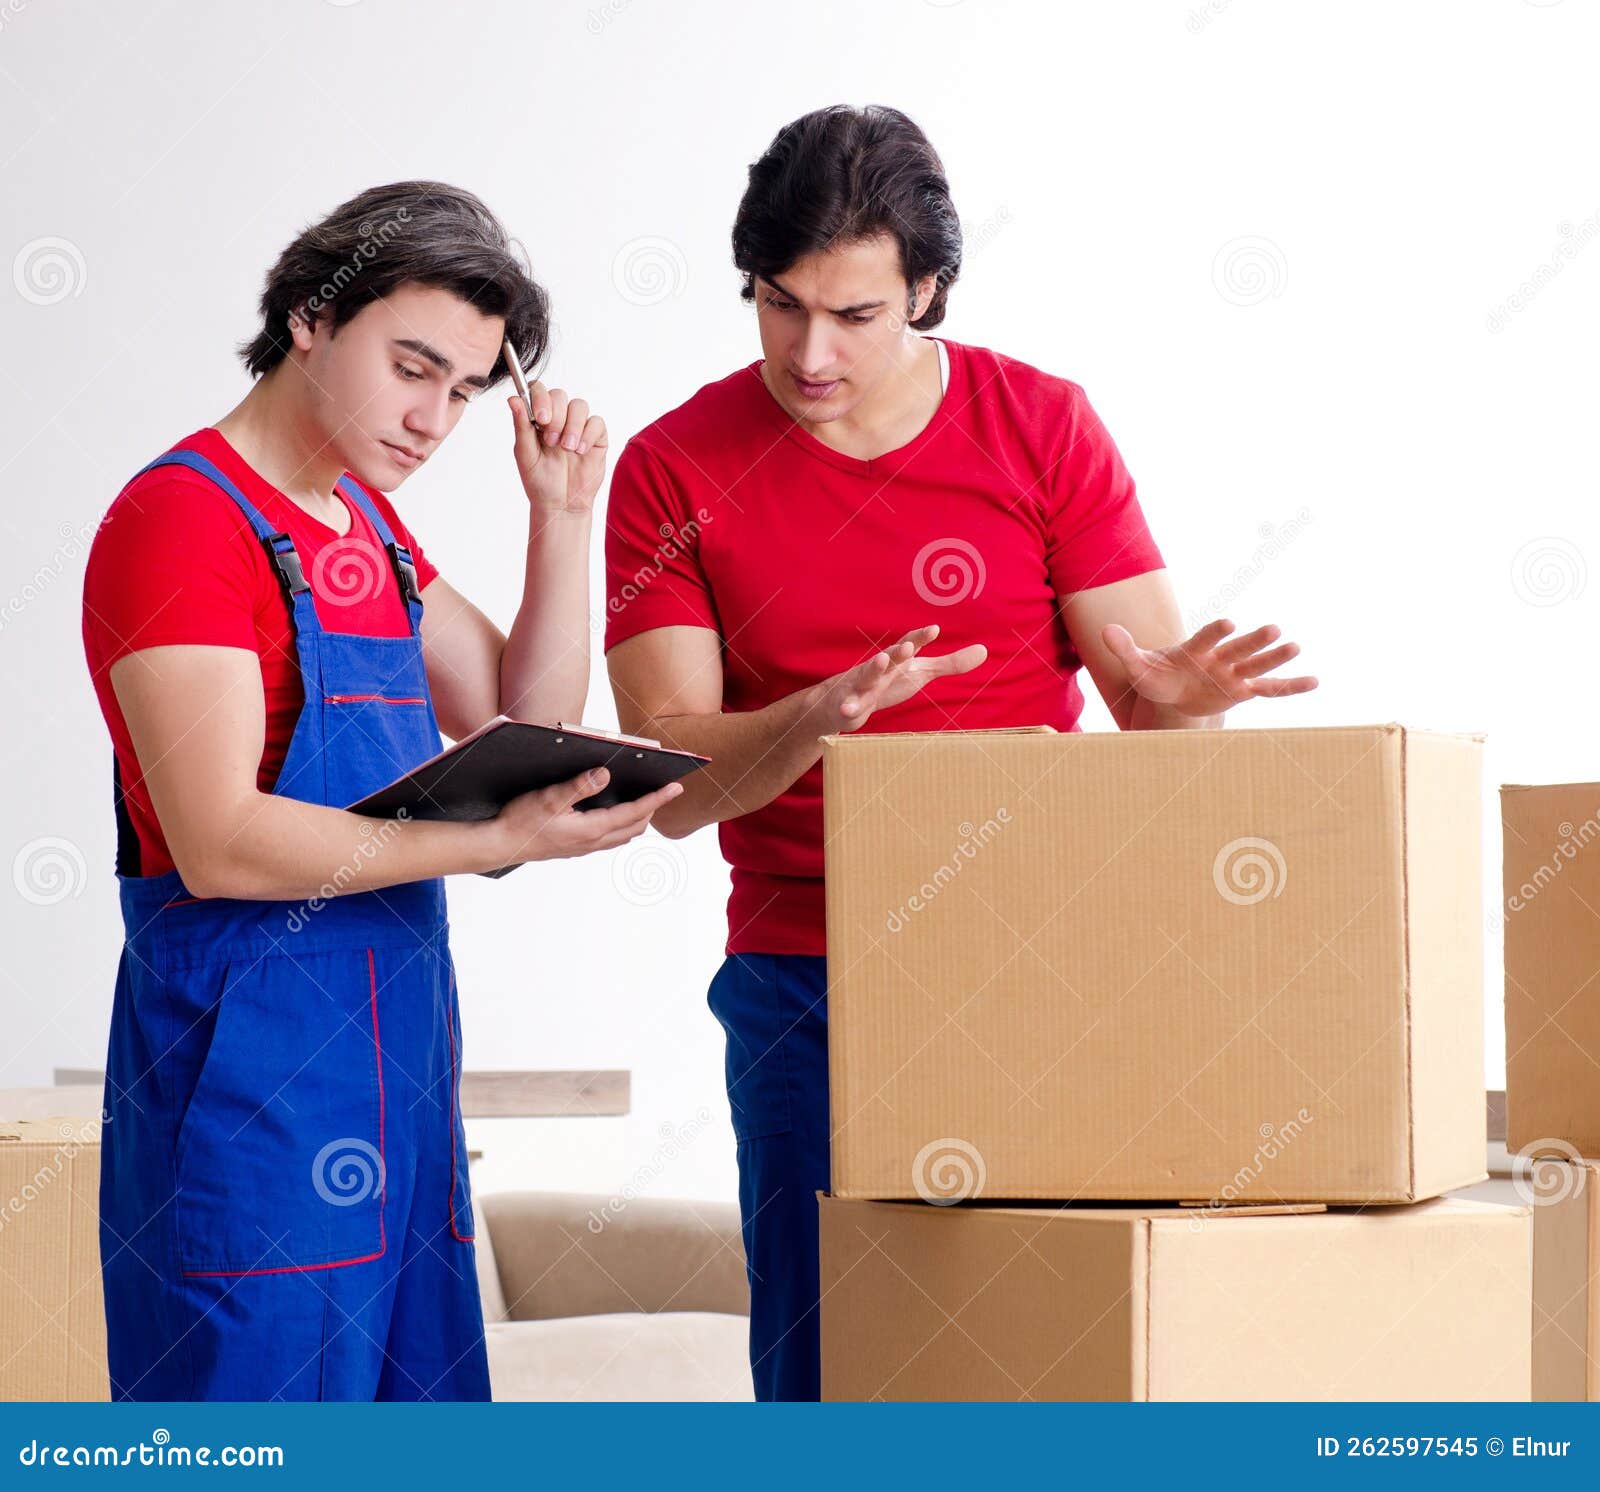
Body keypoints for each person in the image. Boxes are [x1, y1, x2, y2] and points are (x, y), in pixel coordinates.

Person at [602, 106, 1317, 1401]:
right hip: (804, 977)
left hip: (1033, 960)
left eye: (855, 315)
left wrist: (1191, 704)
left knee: (1037, 1346)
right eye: (777, 306)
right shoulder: (672, 467)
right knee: (825, 1365)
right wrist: (814, 718)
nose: (809, 354)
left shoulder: (1039, 425)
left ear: (926, 290)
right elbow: (668, 791)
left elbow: (1148, 727)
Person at [82, 180, 682, 1401]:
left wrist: (562, 518)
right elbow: (221, 843)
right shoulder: (181, 524)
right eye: (413, 368)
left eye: (463, 390)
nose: (433, 419)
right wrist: (490, 842)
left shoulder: (366, 530)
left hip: (395, 1084)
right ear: (310, 315)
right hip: (249, 1100)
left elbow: (525, 719)